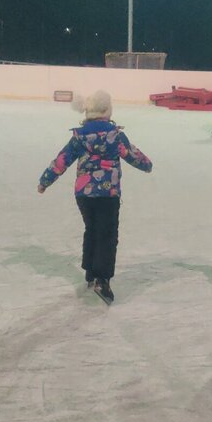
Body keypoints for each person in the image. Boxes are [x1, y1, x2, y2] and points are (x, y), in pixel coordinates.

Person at [37, 90, 152, 303]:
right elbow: (132, 154)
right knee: (107, 235)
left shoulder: (79, 136)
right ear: (107, 111)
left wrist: (45, 181)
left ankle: (90, 272)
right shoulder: (115, 135)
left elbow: (61, 160)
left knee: (92, 229)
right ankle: (102, 279)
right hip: (108, 194)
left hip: (84, 195)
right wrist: (147, 165)